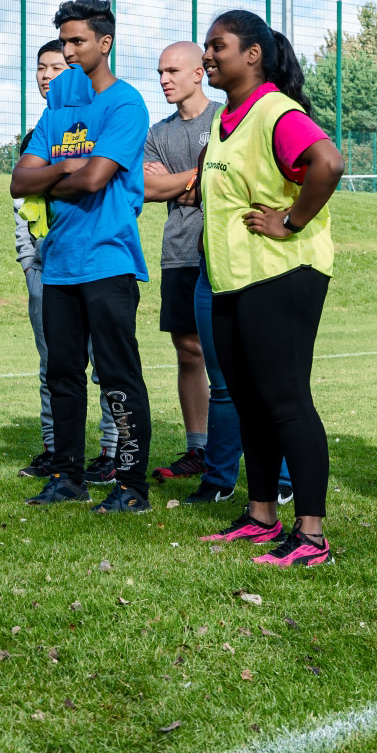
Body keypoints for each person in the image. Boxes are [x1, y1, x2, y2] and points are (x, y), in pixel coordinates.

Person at [190, 12, 344, 565]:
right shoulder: (226, 116)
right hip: (234, 280)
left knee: (285, 401)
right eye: (206, 46)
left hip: (282, 274)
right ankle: (260, 516)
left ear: (252, 54)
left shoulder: (277, 111)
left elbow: (328, 162)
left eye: (218, 46)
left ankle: (311, 535)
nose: (208, 55)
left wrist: (293, 220)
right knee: (251, 402)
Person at [10, 0, 152, 513]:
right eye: (63, 42)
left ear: (104, 43)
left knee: (117, 375)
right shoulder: (62, 101)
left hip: (109, 260)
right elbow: (18, 180)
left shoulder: (126, 105)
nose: (67, 53)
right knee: (62, 373)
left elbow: (96, 178)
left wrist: (59, 175)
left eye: (77, 42)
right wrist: (66, 174)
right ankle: (67, 477)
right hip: (59, 261)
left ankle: (132, 485)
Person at [14, 42, 117, 478]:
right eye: (42, 68)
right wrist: (27, 260)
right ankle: (57, 450)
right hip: (44, 269)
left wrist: (59, 173)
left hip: (94, 264)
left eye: (58, 67)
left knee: (106, 366)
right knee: (52, 364)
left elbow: (96, 180)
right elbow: (21, 191)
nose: (48, 76)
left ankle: (112, 454)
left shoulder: (103, 119)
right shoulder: (40, 131)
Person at [138, 41, 235, 495]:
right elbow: (147, 188)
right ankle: (199, 448)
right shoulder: (157, 132)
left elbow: (225, 181)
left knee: (230, 354)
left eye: (173, 70)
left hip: (222, 249)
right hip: (178, 252)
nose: (164, 79)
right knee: (188, 350)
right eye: (160, 72)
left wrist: (182, 182)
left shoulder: (226, 117)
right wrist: (193, 179)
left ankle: (231, 447)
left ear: (200, 72)